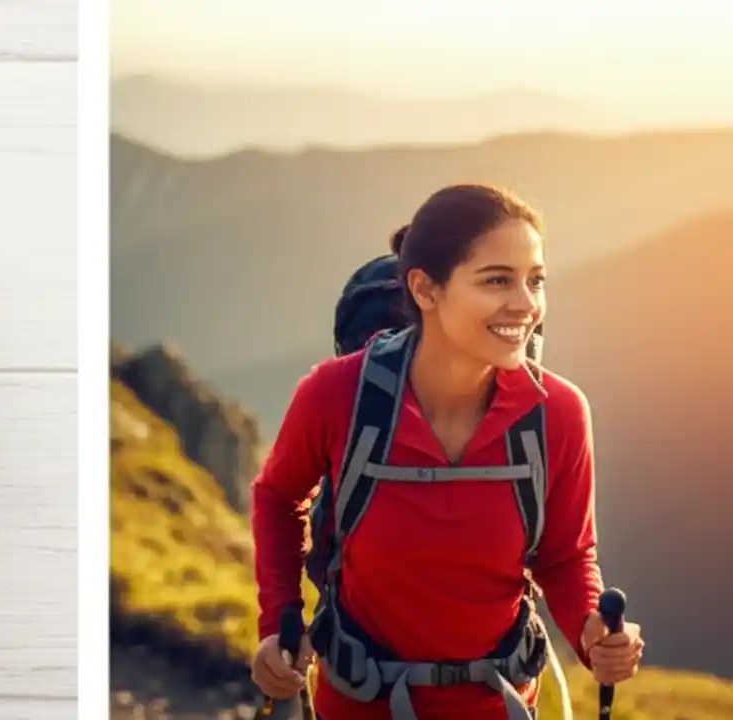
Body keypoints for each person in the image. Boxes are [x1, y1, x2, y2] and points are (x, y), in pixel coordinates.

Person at [249, 184, 644, 719]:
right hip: (361, 704)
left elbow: (566, 556)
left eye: (535, 281)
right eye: (497, 280)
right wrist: (278, 622)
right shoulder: (335, 395)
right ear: (425, 290)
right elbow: (278, 496)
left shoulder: (559, 412)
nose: (527, 305)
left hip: (497, 704)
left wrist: (593, 634)